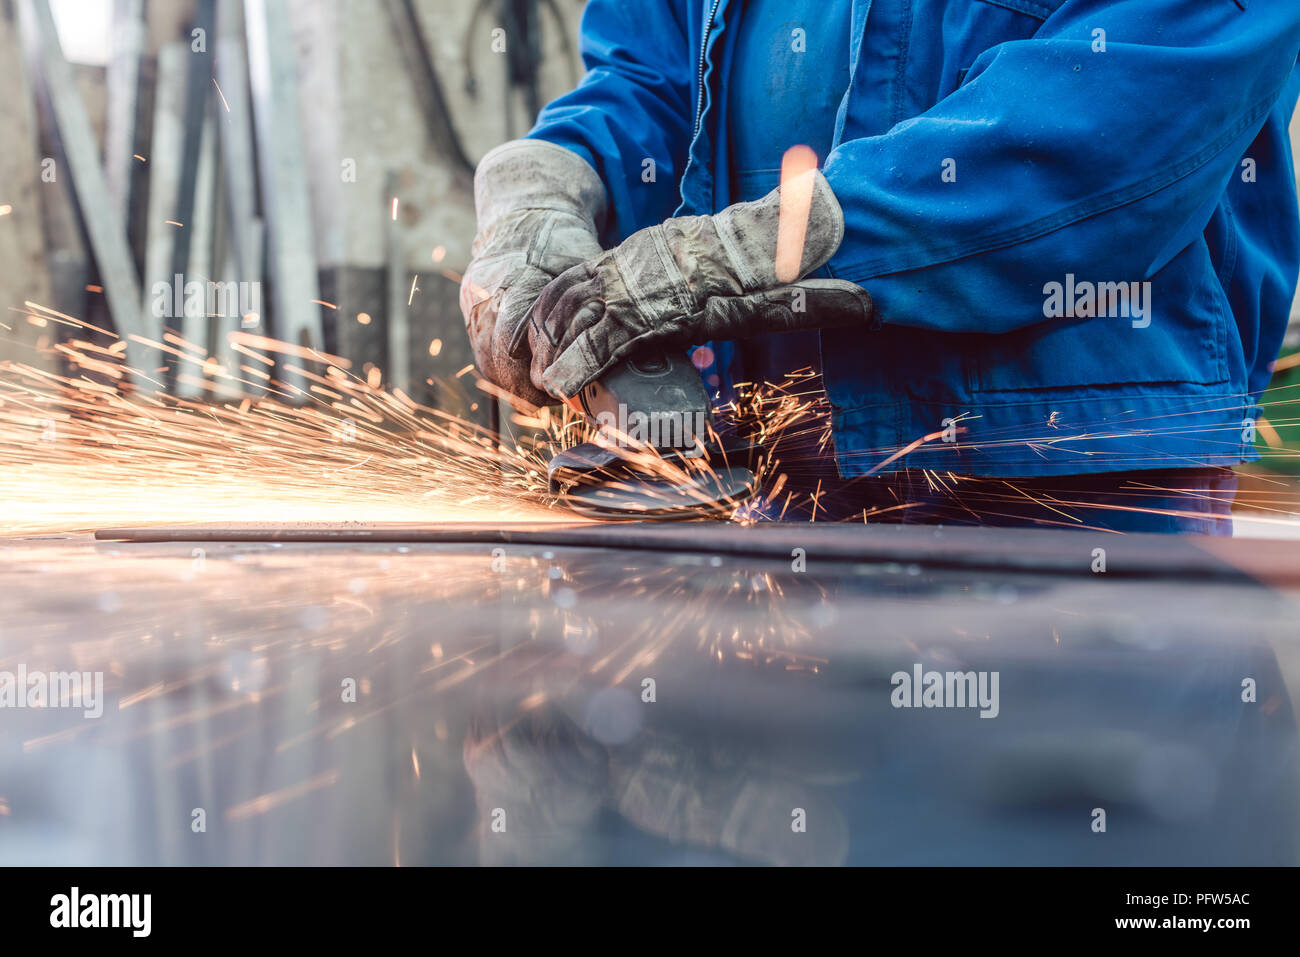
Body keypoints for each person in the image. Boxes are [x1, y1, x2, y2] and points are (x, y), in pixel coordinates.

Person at [460, 0, 1300, 533]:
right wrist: (552, 181)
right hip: (774, 481)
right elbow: (651, 80)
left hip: (1057, 491)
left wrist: (771, 252)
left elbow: (1126, 113)